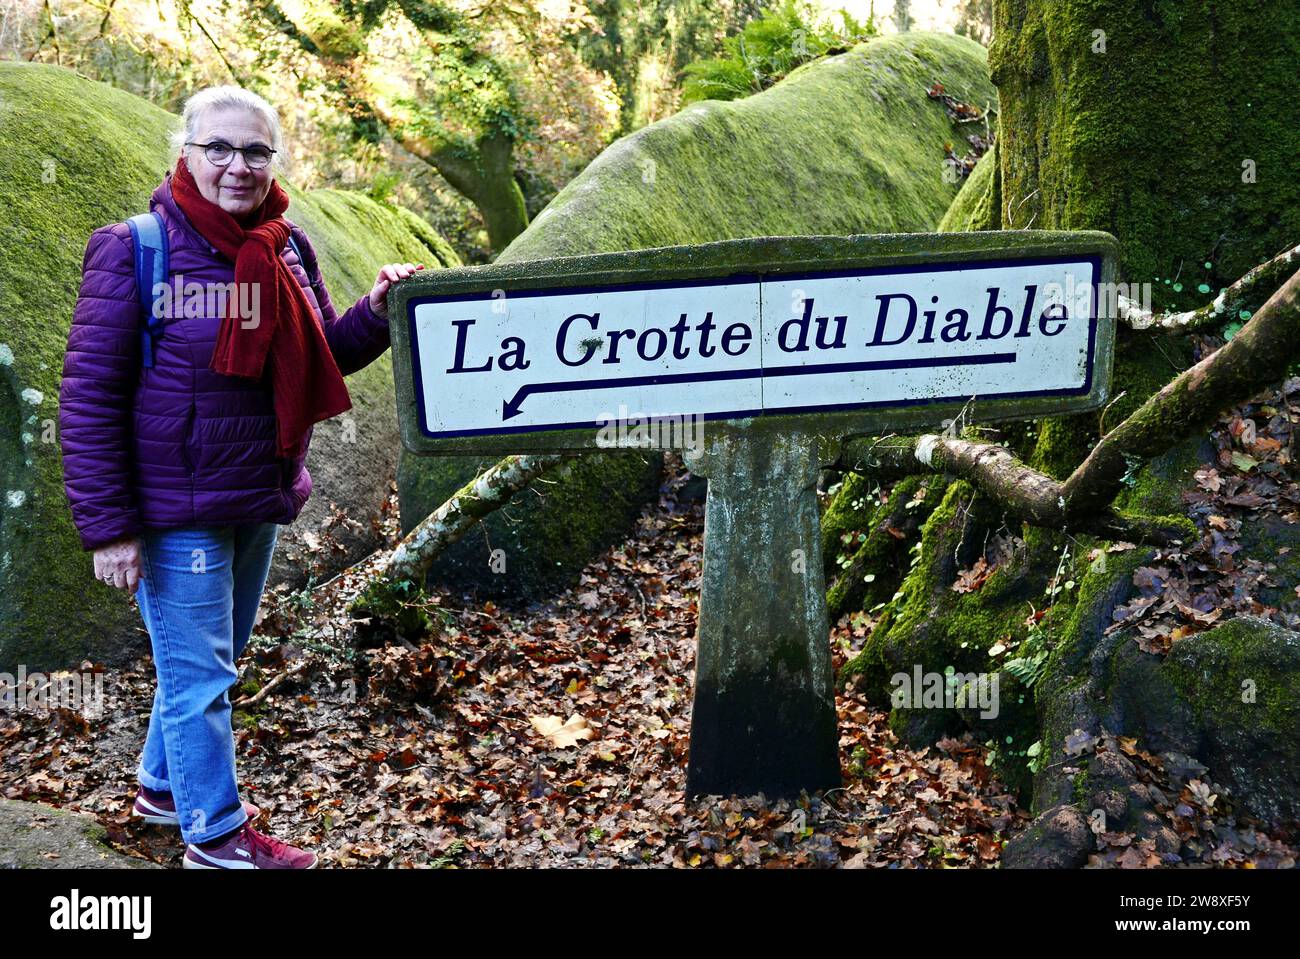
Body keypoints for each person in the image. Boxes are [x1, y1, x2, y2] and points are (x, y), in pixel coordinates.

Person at [58, 85, 422, 869]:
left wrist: (379, 311)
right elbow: (88, 396)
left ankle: (161, 788)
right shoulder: (135, 248)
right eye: (218, 147)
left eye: (256, 150)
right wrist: (110, 527)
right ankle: (217, 839)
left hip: (257, 491)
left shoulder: (286, 248)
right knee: (201, 678)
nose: (238, 165)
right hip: (173, 506)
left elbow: (323, 348)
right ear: (183, 152)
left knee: (205, 664)